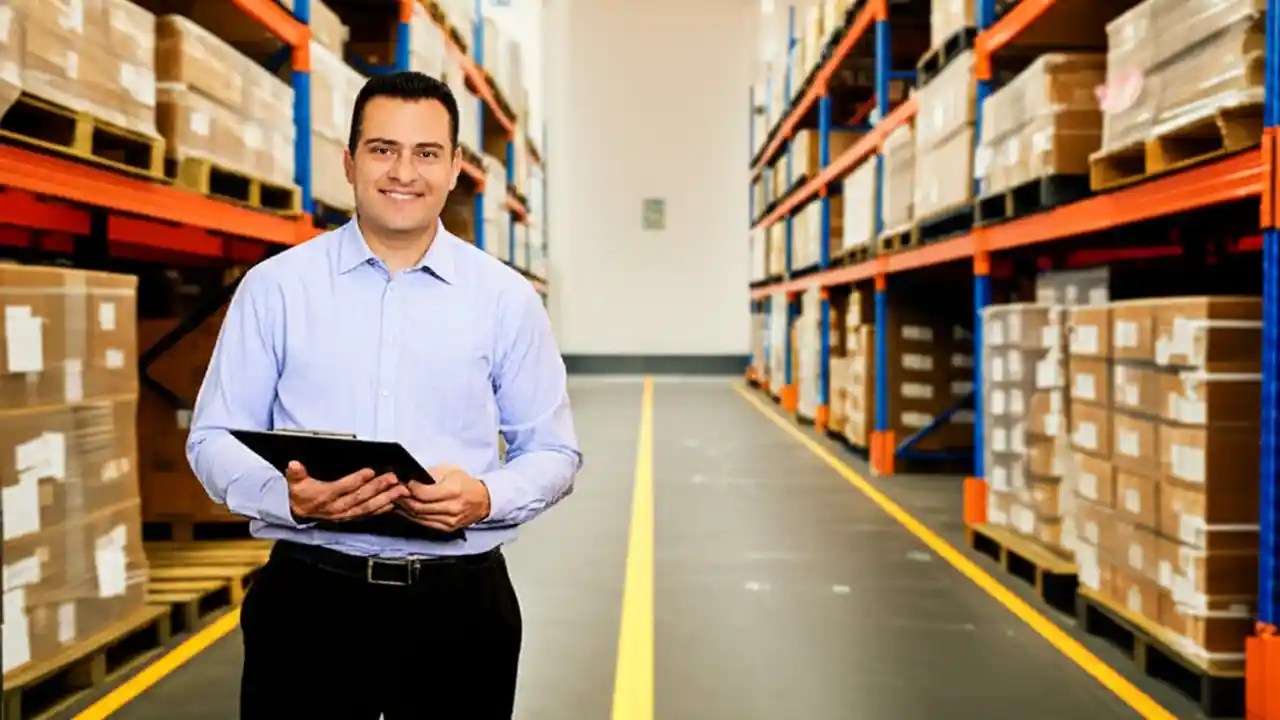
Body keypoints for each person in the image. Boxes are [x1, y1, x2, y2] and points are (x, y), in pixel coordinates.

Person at [185, 71, 582, 719]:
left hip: (460, 609)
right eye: (382, 149)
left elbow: (554, 450)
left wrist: (485, 496)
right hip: (310, 601)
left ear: (455, 168)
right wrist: (288, 498)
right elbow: (213, 440)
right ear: (348, 161)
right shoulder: (277, 288)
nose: (404, 171)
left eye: (427, 153)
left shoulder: (504, 299)